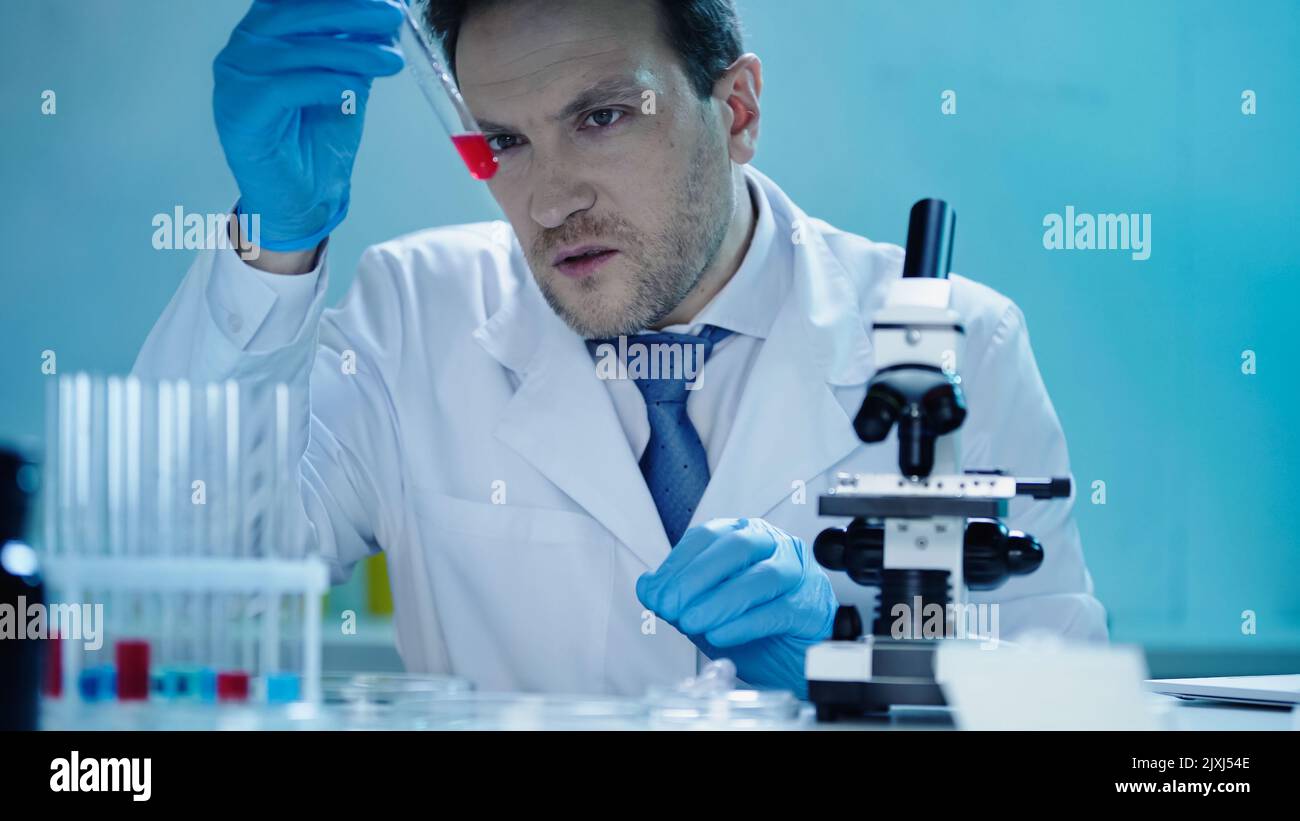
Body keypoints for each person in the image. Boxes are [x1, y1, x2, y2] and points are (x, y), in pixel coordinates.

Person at [134, 0, 1107, 697]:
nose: (550, 201)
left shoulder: (953, 344)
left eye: (599, 118)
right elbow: (183, 585)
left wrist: (851, 654)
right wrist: (275, 240)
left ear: (736, 111)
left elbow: (1060, 704)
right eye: (503, 143)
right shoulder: (415, 314)